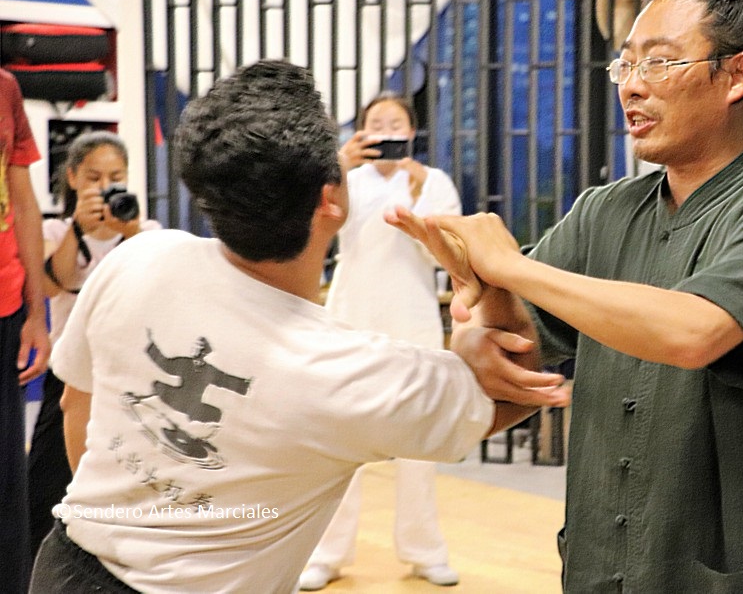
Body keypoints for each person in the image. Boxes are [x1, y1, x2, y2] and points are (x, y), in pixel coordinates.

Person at [388, 0, 743, 592]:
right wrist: (484, 300)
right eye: (625, 66)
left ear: (737, 76)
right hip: (602, 568)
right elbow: (523, 345)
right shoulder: (603, 212)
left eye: (659, 64)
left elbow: (694, 332)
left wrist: (509, 267)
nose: (632, 86)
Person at [29, 60, 568, 594]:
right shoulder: (351, 373)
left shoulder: (140, 255)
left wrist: (145, 524)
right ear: (330, 197)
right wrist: (492, 277)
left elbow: (77, 410)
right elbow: (520, 387)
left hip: (64, 561)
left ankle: (422, 549)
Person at [298, 92, 463, 590]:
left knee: (420, 438)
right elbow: (315, 233)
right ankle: (328, 553)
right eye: (375, 123)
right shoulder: (344, 177)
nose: (386, 130)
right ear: (363, 130)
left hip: (413, 318)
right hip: (351, 315)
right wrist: (337, 169)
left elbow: (447, 256)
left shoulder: (434, 183)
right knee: (341, 438)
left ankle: (423, 549)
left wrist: (417, 198)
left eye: (395, 122)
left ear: (411, 132)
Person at [29, 131, 162, 557]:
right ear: (72, 178)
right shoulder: (52, 230)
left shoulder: (149, 231)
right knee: (49, 479)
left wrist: (131, 230)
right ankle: (39, 559)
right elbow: (56, 285)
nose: (105, 187)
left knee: (129, 475)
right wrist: (77, 230)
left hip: (131, 375)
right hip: (68, 375)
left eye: (115, 176)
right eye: (93, 177)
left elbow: (152, 284)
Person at [1, 66, 51, 594]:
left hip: (6, 308)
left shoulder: (6, 88)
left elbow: (23, 202)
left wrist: (37, 314)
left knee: (6, 486)